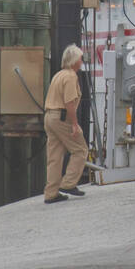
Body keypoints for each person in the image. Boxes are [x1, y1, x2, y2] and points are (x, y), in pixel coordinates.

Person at [43, 44, 88, 203]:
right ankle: (68, 184)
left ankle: (51, 193)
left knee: (55, 157)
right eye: (81, 58)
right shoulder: (70, 76)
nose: (82, 61)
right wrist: (74, 124)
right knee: (80, 149)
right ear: (75, 60)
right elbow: (69, 102)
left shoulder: (58, 75)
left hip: (49, 116)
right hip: (61, 117)